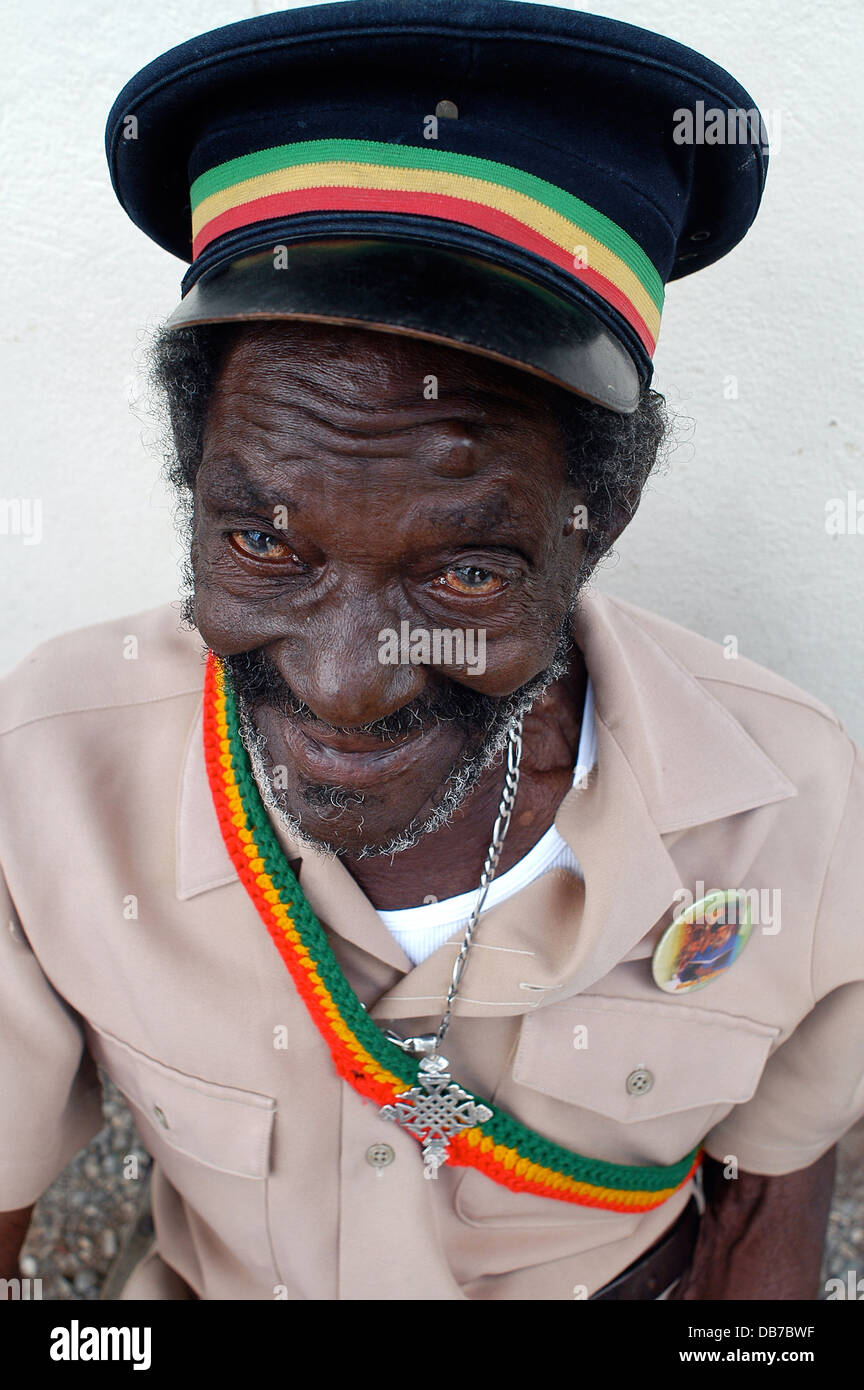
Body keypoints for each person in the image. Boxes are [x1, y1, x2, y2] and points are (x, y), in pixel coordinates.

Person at [0, 0, 859, 1301]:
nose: (343, 683)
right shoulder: (47, 778)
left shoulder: (797, 816)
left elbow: (765, 1224)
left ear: (598, 524)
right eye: (265, 547)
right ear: (198, 491)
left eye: (461, 568)